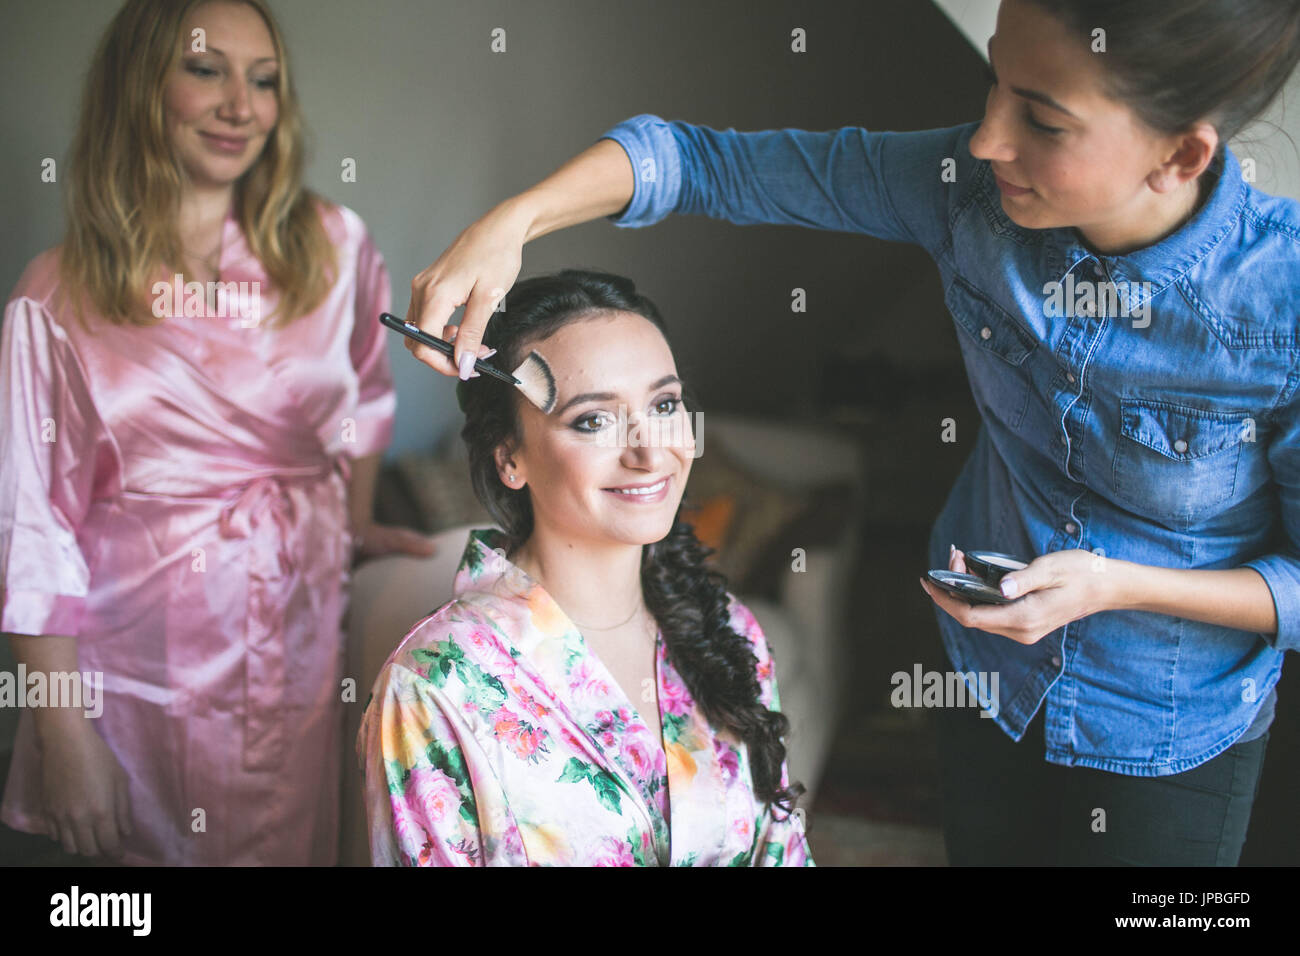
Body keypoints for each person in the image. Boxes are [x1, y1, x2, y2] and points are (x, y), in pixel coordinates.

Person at [395, 0, 1300, 865]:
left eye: (1043, 119)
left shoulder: (1281, 301)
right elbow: (695, 161)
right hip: (987, 677)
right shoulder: (964, 191)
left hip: (1171, 726)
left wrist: (1115, 585)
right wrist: (511, 222)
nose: (986, 138)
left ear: (1181, 154)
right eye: (995, 83)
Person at [0, 0, 435, 866]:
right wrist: (59, 729)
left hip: (301, 638)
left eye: (264, 80)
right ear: (140, 85)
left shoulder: (332, 245)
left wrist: (347, 530)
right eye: (207, 70)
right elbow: (31, 526)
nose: (243, 106)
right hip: (139, 673)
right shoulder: (58, 294)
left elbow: (368, 401)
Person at [358, 269, 814, 866]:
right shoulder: (435, 686)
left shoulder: (730, 630)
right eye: (593, 420)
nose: (650, 452)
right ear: (510, 458)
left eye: (665, 404)